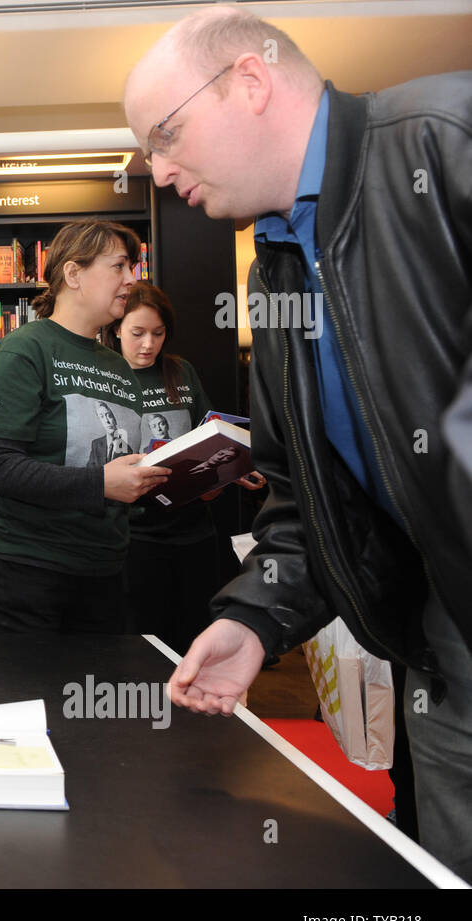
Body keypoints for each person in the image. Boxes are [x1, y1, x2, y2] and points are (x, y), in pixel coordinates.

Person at [124, 6, 471, 876]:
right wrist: (253, 618)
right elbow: (305, 499)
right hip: (440, 656)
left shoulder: (444, 141)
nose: (160, 172)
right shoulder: (274, 267)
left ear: (250, 81)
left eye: (165, 136)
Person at [0, 219, 170, 634]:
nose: (132, 279)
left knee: (94, 698)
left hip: (103, 572)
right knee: (24, 697)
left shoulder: (117, 364)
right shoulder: (23, 350)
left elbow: (121, 468)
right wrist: (101, 483)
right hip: (21, 571)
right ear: (73, 274)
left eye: (132, 267)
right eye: (119, 267)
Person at [105, 282, 263, 654]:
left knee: (191, 640)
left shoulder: (181, 372)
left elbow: (207, 434)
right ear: (116, 329)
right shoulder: (104, 377)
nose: (148, 344)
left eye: (158, 334)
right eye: (137, 333)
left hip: (192, 532)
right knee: (140, 646)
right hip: (133, 537)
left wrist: (227, 471)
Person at [85, 400, 133, 467]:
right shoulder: (96, 444)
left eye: (109, 415)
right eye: (102, 417)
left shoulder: (126, 449)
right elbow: (89, 472)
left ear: (115, 419)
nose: (106, 421)